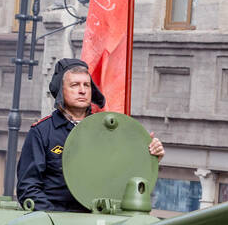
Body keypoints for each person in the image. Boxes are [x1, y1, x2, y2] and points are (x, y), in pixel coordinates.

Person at [16, 57, 165, 211]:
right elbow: (28, 187)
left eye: (86, 85)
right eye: (74, 85)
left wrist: (151, 157)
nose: (82, 90)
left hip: (101, 220)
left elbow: (123, 175)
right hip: (57, 222)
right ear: (61, 90)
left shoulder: (107, 130)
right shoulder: (42, 132)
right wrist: (54, 220)